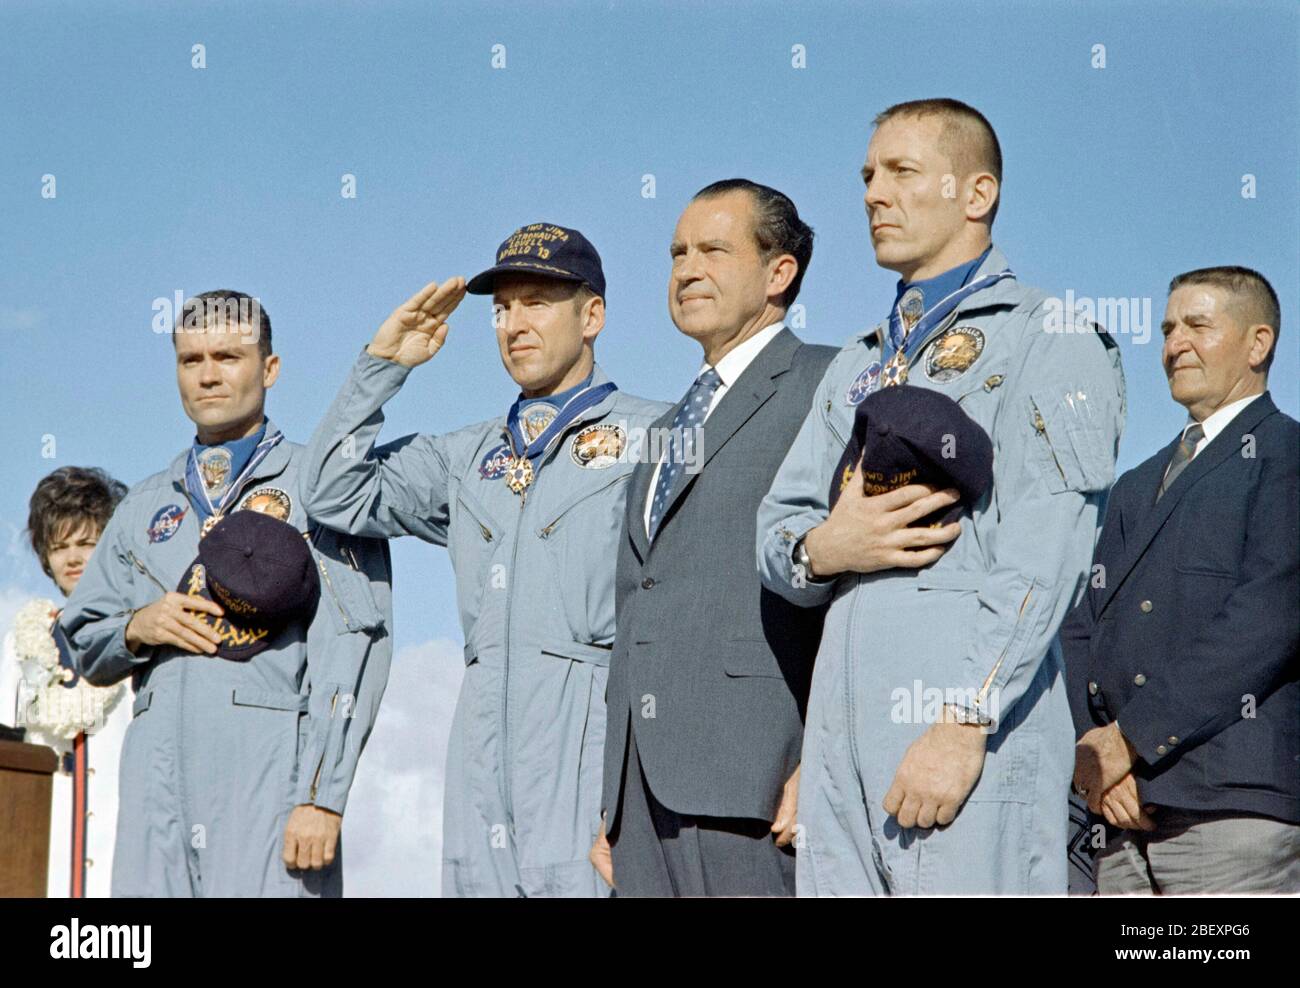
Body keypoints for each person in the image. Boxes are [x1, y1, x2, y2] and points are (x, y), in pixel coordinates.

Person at [757, 98, 1126, 894]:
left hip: (963, 730)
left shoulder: (1048, 335)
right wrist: (827, 548)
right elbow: (777, 531)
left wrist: (964, 719)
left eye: (901, 172)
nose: (872, 194)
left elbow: (1046, 549)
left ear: (976, 193)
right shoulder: (856, 362)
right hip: (840, 744)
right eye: (866, 175)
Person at [299, 224, 669, 897]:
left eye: (536, 302)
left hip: (593, 740)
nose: (513, 324)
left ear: (593, 316)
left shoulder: (657, 435)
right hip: (479, 745)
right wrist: (382, 365)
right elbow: (328, 490)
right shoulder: (464, 458)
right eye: (501, 309)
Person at [60, 290, 393, 897]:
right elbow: (81, 636)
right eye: (191, 360)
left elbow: (355, 651)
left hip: (266, 774)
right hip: (155, 777)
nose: (208, 375)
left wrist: (322, 794)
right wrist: (137, 626)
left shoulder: (322, 486)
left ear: (269, 369)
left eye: (227, 357)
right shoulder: (144, 504)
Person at [592, 180, 836, 896]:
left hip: (757, 794)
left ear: (778, 272)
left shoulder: (827, 382)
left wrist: (824, 761)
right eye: (677, 252)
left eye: (713, 250)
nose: (686, 269)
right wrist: (613, 803)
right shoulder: (666, 430)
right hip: (642, 806)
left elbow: (859, 592)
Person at [1065, 266, 1298, 893]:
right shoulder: (1134, 484)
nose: (1173, 344)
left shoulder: (1288, 458)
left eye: (1197, 325)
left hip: (1231, 807)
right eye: (1168, 329)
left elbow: (1268, 619)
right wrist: (1097, 756)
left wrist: (1130, 741)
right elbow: (1080, 622)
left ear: (1258, 343)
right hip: (1117, 811)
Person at [0, 467, 130, 897]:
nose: (72, 558)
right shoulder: (21, 644)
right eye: (59, 547)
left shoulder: (145, 635)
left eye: (86, 543)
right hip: (39, 854)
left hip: (125, 854)